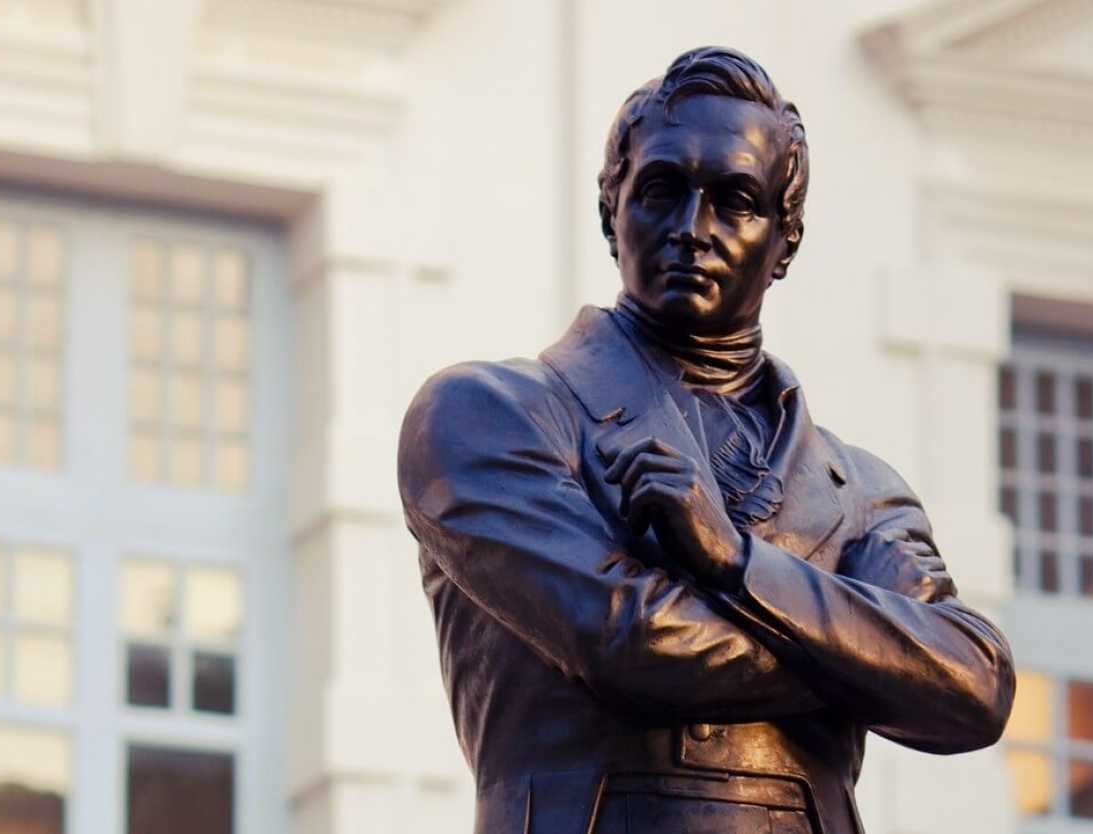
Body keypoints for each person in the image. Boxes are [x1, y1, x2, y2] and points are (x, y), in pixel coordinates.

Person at [397, 46, 1015, 834]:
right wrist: (880, 663)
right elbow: (632, 641)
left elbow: (976, 686)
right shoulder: (486, 414)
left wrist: (736, 563)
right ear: (608, 208)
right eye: (661, 191)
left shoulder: (861, 492)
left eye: (735, 201)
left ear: (785, 239)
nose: (693, 230)